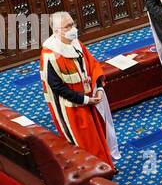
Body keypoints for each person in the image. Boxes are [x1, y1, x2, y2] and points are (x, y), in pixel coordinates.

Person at [39, 12, 119, 165]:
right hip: (73, 107)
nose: (72, 28)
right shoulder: (50, 55)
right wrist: (85, 99)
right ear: (56, 31)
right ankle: (96, 173)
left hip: (91, 97)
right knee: (87, 142)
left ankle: (106, 165)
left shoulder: (76, 43)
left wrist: (99, 88)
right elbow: (56, 87)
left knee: (99, 133)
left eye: (72, 24)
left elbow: (92, 64)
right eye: (67, 26)